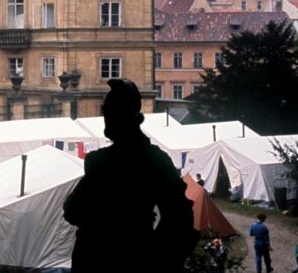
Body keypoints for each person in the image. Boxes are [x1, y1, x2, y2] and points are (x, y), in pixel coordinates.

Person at [63, 79, 198, 272]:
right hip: (134, 254)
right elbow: (180, 217)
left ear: (117, 117)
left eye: (108, 113)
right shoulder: (155, 159)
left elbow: (72, 210)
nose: (105, 118)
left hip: (100, 257)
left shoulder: (101, 162)